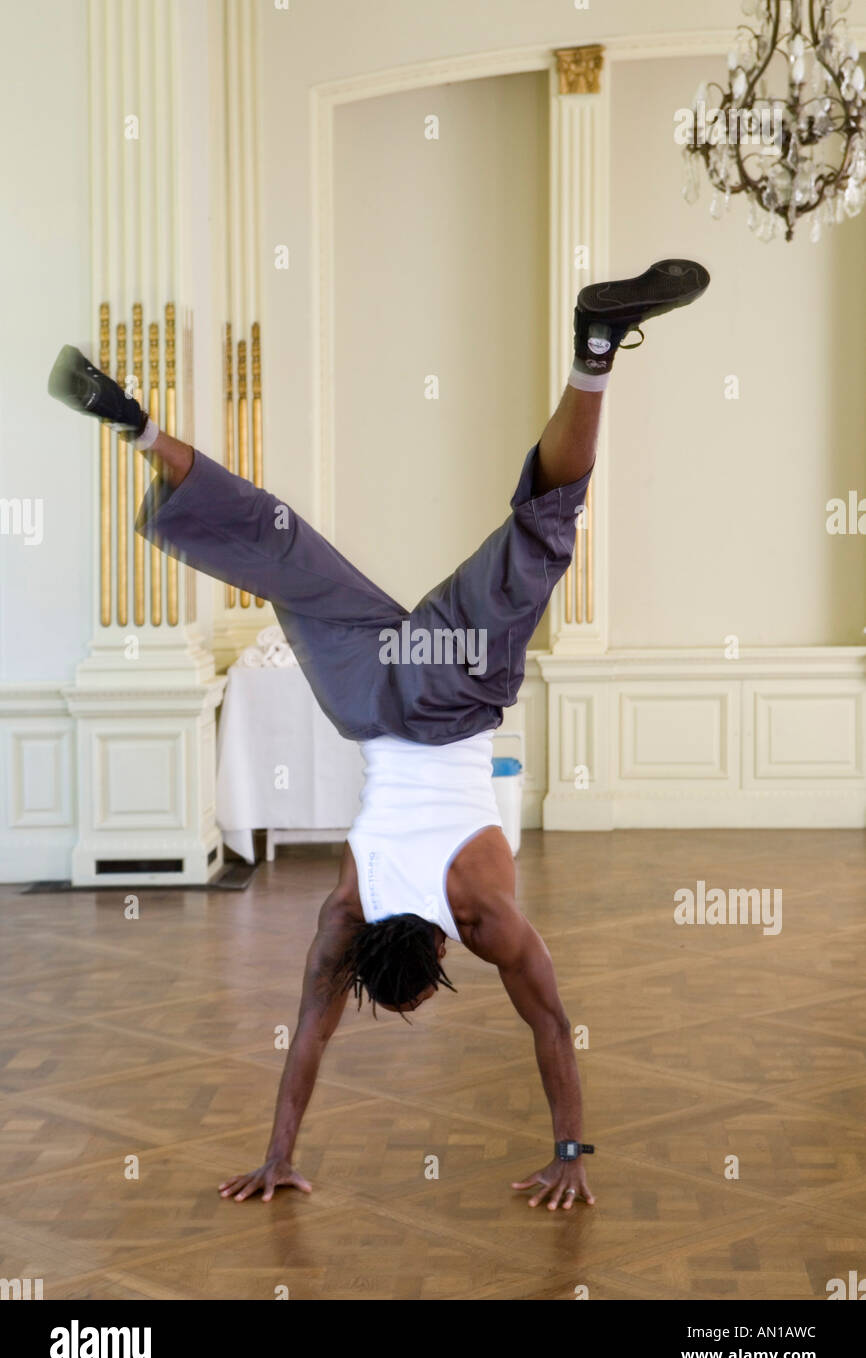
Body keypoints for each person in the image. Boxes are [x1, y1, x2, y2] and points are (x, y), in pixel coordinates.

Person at [48, 258, 709, 1213]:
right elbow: (308, 1038)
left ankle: (597, 350)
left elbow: (553, 1026)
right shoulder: (344, 910)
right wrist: (274, 1154)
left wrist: (571, 1148)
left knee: (541, 532)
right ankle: (139, 426)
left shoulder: (481, 911)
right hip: (363, 690)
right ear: (367, 949)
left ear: (444, 950)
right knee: (282, 552)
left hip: (450, 689)